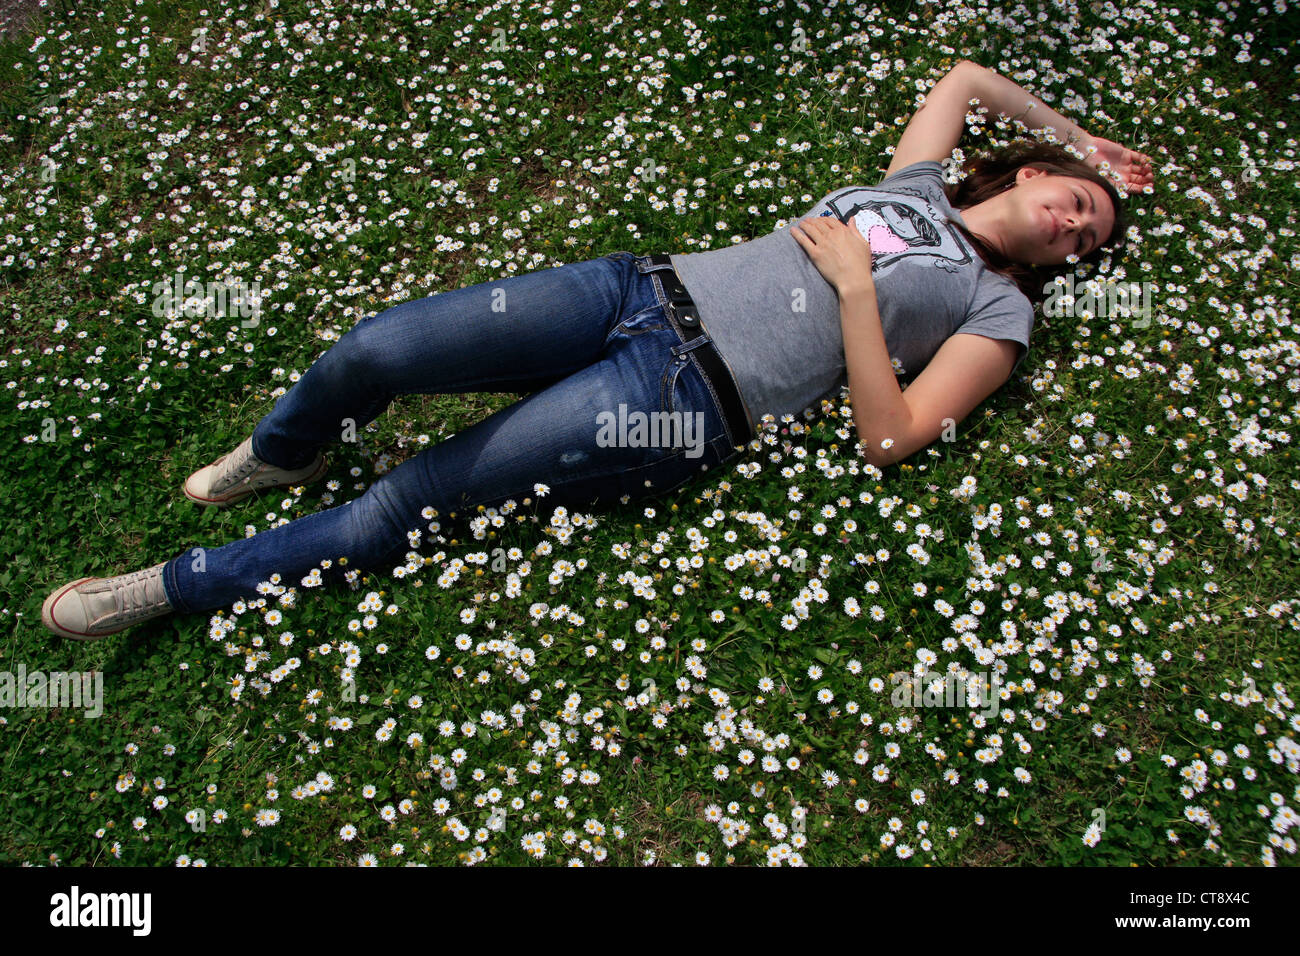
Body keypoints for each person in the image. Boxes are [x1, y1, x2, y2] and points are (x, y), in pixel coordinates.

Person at [41, 60, 1154, 640]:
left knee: (411, 502)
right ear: (1026, 176)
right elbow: (961, 78)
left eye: (1087, 236)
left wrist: (861, 296)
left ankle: (177, 585)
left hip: (681, 399)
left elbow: (890, 436)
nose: (1073, 222)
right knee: (371, 350)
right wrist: (1078, 133)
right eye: (1072, 200)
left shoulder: (1001, 315)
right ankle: (287, 449)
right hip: (636, 288)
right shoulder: (918, 182)